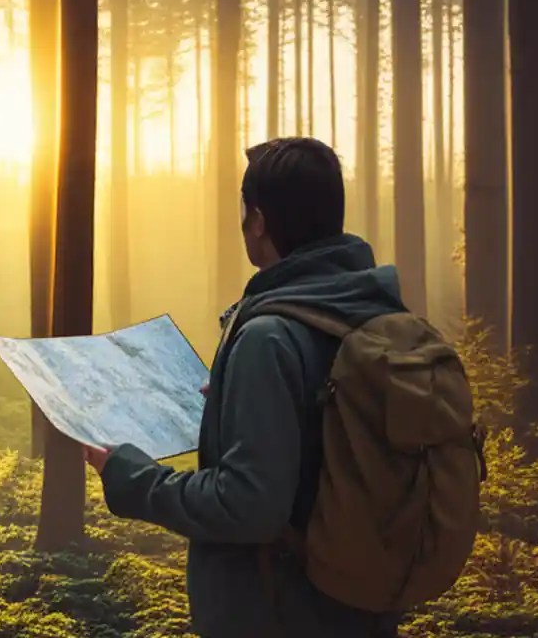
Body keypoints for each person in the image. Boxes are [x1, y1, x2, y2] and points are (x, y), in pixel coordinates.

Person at [84, 137, 407, 637]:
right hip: (356, 607)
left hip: (277, 613)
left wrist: (132, 479)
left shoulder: (269, 336)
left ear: (257, 220)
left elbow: (249, 506)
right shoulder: (369, 308)